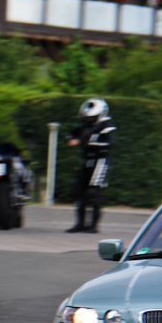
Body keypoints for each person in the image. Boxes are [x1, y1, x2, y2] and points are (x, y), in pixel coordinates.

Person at [66, 98, 116, 234]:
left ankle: (93, 225)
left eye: (92, 117)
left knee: (95, 193)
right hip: (86, 160)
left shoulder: (106, 125)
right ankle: (80, 224)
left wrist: (87, 143)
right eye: (87, 117)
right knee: (79, 192)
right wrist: (71, 138)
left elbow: (110, 144)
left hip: (101, 161)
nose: (89, 120)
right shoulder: (84, 124)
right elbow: (72, 132)